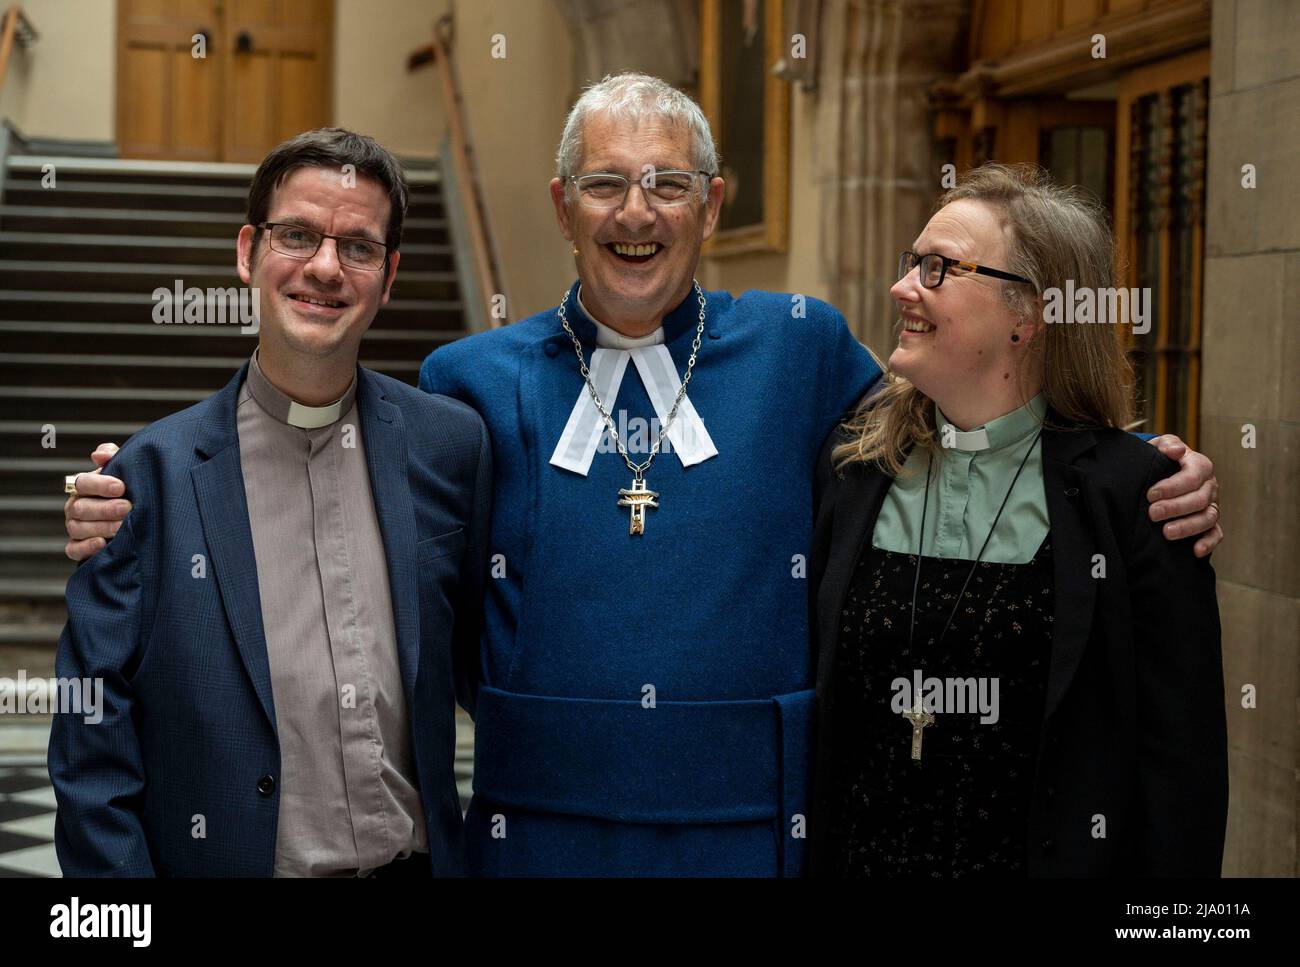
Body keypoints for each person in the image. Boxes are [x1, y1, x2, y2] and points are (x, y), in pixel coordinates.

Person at [64, 75, 1222, 877]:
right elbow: (421, 583)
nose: (637, 212)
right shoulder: (464, 380)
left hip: (754, 822)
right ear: (563, 204)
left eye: (668, 183)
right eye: (606, 183)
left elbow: (970, 414)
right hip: (535, 822)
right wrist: (129, 489)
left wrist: (1136, 465)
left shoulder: (807, 346)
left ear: (712, 205)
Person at [50, 129, 492, 877]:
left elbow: (495, 672)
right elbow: (92, 750)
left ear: (389, 277)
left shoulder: (450, 449)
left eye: (357, 246)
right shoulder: (147, 479)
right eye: (297, 235)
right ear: (248, 251)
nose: (324, 266)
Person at [807, 164, 1228, 877]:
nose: (903, 286)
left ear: (1029, 315)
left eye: (938, 268)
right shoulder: (853, 468)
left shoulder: (1138, 501)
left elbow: (1179, 780)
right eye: (911, 262)